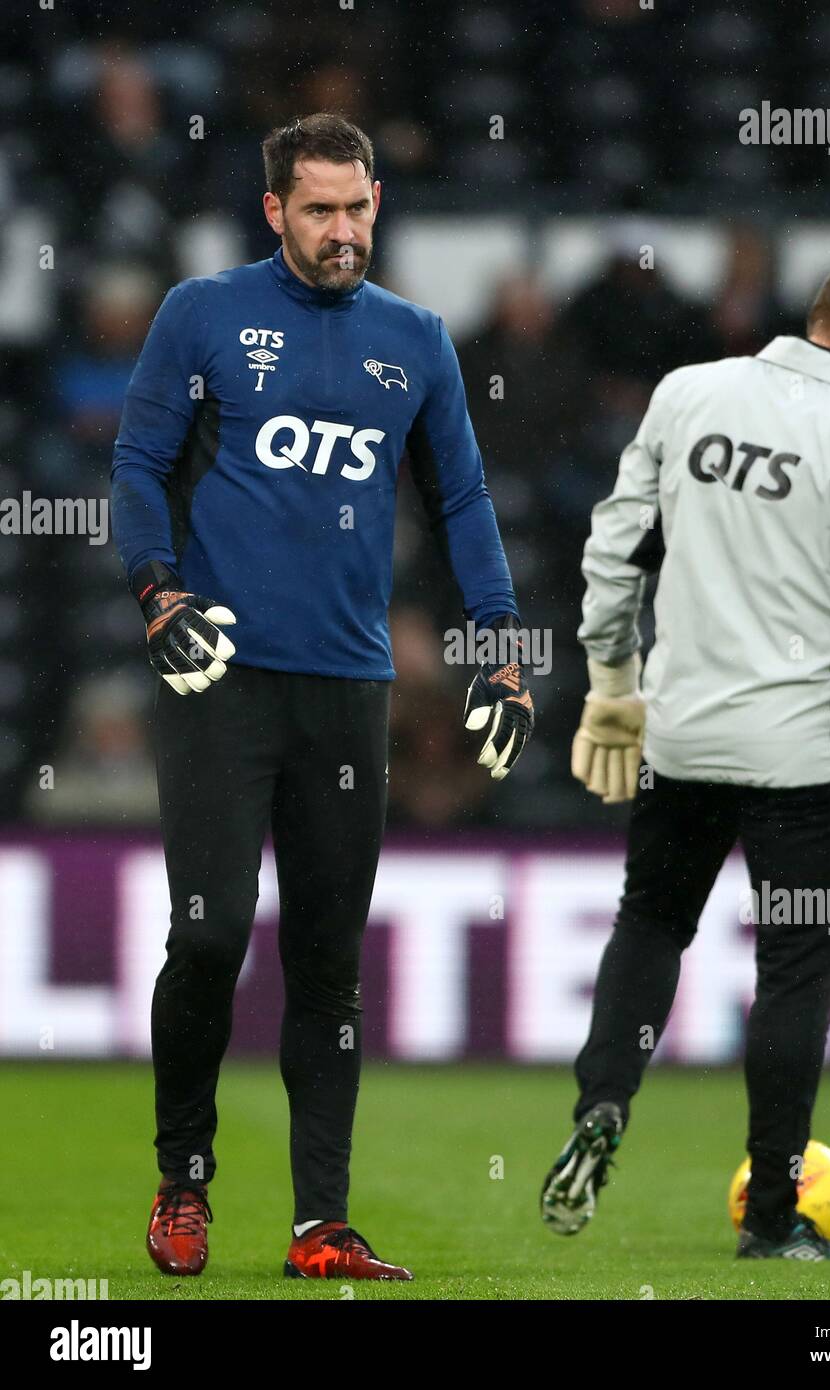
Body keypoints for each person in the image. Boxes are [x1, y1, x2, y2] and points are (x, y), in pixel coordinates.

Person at [110, 112, 534, 1283]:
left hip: (349, 690)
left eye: (358, 208)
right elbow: (138, 465)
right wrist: (157, 594)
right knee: (205, 936)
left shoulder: (418, 340)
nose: (342, 230)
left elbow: (462, 505)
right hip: (221, 678)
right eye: (318, 210)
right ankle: (183, 1182)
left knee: (329, 963)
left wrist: (499, 647)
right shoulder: (202, 313)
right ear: (273, 214)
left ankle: (320, 1226)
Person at [541, 251, 830, 1260]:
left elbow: (615, 544)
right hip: (803, 746)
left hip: (684, 726)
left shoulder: (687, 392)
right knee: (792, 969)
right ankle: (770, 1215)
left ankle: (601, 1104)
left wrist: (612, 687)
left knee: (650, 919)